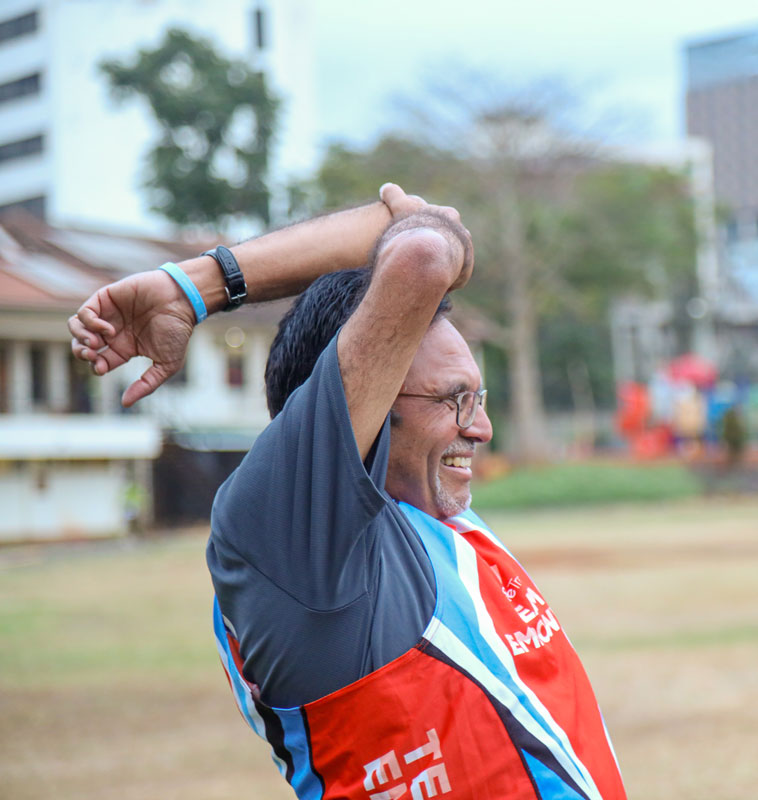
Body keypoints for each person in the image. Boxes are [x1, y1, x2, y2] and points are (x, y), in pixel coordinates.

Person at [69, 185, 626, 800]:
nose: (481, 426)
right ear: (362, 401)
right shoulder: (290, 548)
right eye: (454, 399)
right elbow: (423, 251)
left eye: (480, 395)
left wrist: (191, 285)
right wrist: (197, 285)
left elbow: (422, 235)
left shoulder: (434, 517)